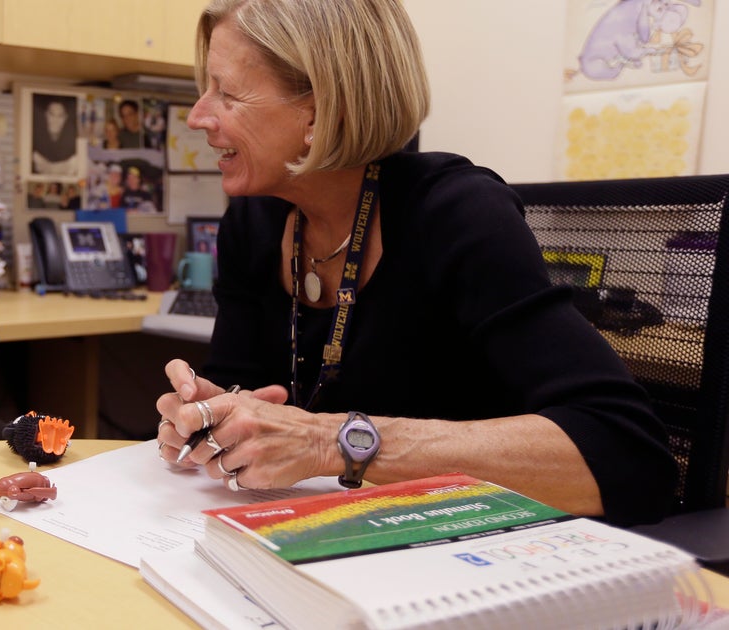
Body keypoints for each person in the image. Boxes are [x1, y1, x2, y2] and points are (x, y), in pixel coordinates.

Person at [154, 0, 676, 527]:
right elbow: (240, 388)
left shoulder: (458, 214)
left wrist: (332, 441)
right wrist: (210, 417)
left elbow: (628, 453)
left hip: (467, 544)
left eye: (227, 93)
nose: (198, 116)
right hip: (319, 535)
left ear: (321, 110)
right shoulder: (253, 224)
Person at [32, 95, 80, 175]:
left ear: (65, 117)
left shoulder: (74, 144)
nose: (55, 120)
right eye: (52, 114)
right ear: (46, 114)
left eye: (60, 116)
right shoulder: (33, 139)